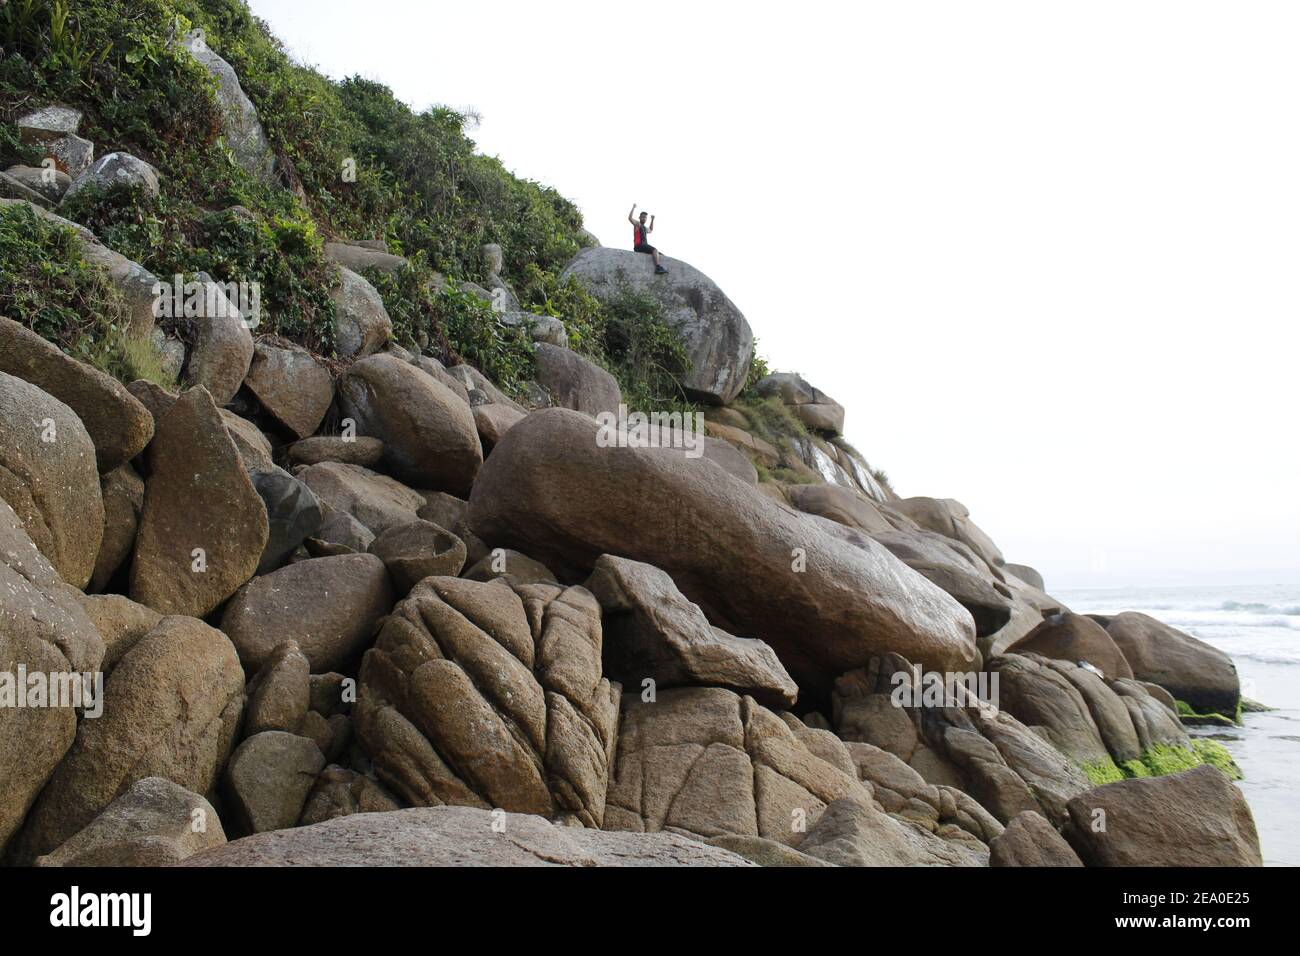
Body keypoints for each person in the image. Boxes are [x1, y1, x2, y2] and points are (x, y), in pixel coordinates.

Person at [629, 204, 668, 274]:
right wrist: (633, 208)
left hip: (644, 246)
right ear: (639, 217)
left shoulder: (644, 228)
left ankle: (660, 267)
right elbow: (630, 218)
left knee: (661, 255)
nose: (644, 218)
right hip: (639, 246)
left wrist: (652, 220)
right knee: (655, 250)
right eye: (642, 217)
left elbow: (650, 230)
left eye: (645, 218)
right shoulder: (637, 224)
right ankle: (658, 268)